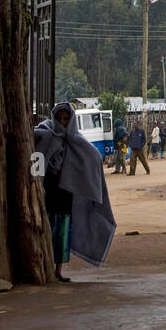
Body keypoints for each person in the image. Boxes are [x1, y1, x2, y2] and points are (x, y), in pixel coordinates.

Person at [33, 102, 117, 280]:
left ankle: (58, 271)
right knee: (45, 229)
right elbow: (37, 163)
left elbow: (93, 156)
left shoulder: (75, 139)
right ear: (54, 118)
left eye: (66, 119)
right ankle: (44, 267)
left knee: (62, 232)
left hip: (65, 194)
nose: (62, 122)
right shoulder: (45, 135)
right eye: (59, 118)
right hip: (48, 191)